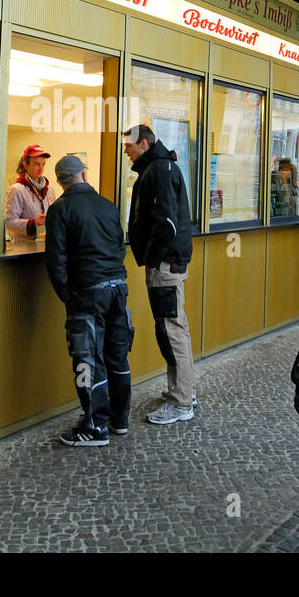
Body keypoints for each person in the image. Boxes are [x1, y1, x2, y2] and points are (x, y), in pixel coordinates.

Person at [43, 154, 132, 446]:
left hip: (87, 293)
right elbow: (120, 247)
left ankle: (94, 427)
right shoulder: (107, 206)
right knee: (116, 355)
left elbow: (56, 260)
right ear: (83, 174)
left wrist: (67, 293)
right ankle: (119, 420)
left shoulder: (60, 209)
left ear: (60, 181)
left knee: (87, 360)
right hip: (118, 288)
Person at [122, 123, 196, 424]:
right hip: (167, 262)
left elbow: (166, 222)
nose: (125, 151)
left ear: (142, 143)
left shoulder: (159, 170)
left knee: (171, 329)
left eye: (128, 145)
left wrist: (152, 259)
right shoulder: (157, 168)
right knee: (174, 327)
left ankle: (181, 402)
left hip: (165, 264)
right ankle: (182, 392)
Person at [5, 144, 55, 250]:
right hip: (25, 249)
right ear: (25, 165)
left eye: (43, 164)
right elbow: (9, 222)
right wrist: (33, 224)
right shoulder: (17, 189)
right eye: (36, 164)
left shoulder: (49, 188)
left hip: (47, 246)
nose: (41, 168)